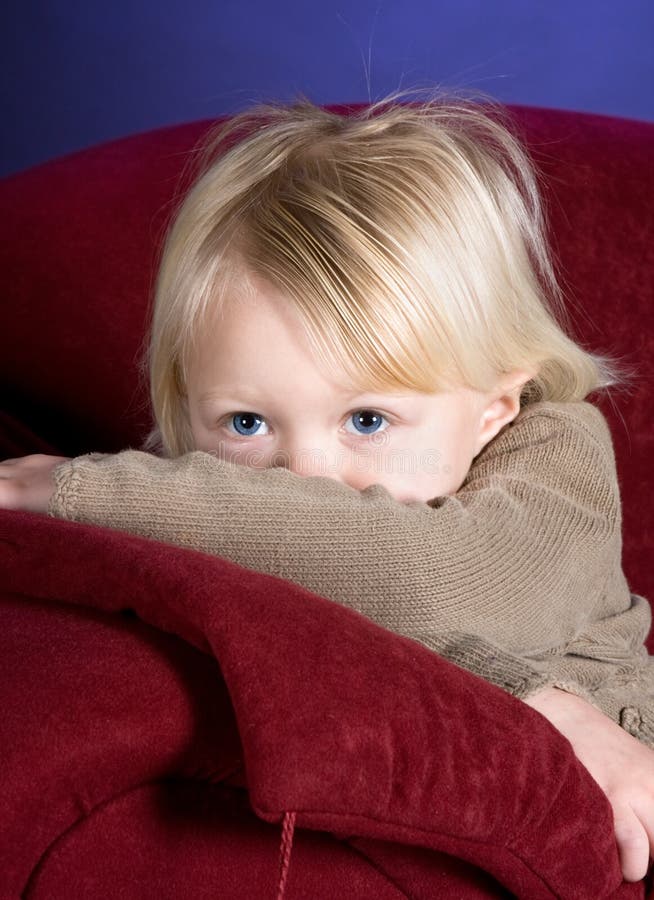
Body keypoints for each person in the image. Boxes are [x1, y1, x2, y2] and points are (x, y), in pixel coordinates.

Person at [1, 90, 652, 881]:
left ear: (492, 408)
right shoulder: (200, 502)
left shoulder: (558, 453)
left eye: (367, 420)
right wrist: (531, 701)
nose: (305, 475)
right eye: (246, 423)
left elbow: (434, 584)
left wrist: (75, 491)